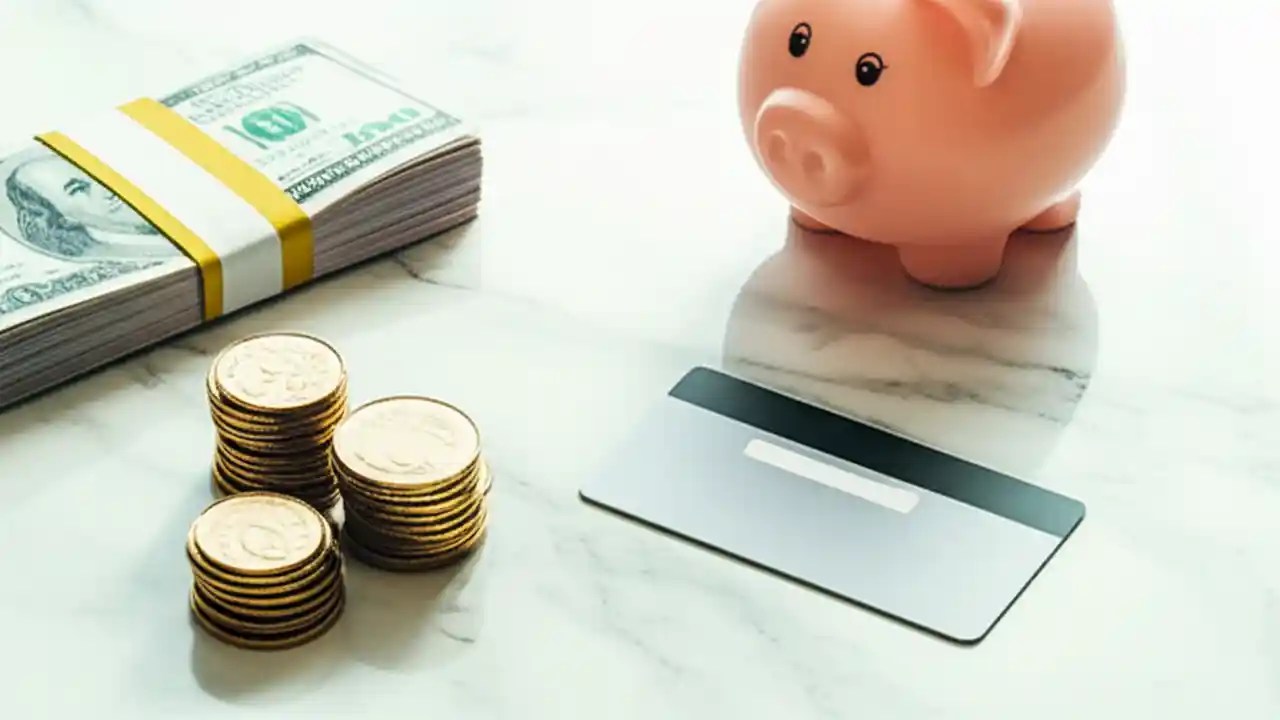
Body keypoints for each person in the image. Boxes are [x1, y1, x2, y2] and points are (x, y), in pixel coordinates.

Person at [3, 148, 180, 262]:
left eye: (95, 172)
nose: (105, 186)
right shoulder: (135, 254)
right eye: (78, 189)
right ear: (65, 220)